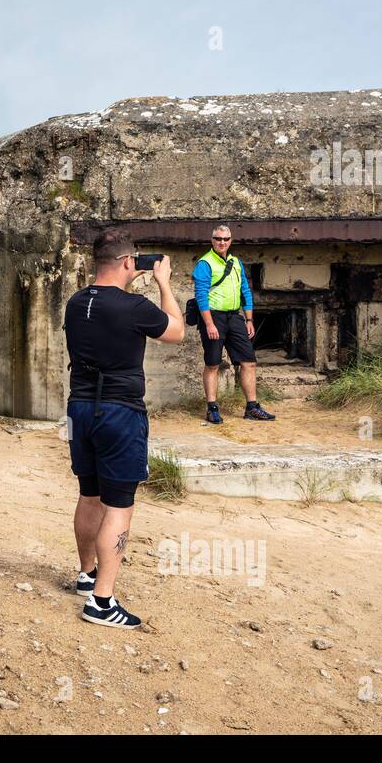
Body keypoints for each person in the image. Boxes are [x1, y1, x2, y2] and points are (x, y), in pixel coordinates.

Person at [64, 231, 184, 629]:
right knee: (119, 504)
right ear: (130, 263)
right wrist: (164, 282)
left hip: (79, 409)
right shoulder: (134, 306)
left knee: (89, 494)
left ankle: (86, 575)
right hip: (119, 413)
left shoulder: (76, 303)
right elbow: (176, 332)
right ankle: (101, 602)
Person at [192, 224, 275, 423]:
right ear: (212, 240)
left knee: (249, 362)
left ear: (231, 241)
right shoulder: (205, 263)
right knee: (213, 364)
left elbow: (245, 291)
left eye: (226, 239)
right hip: (213, 317)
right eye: (218, 238)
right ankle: (212, 408)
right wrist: (210, 324)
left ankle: (252, 408)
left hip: (234, 317)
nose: (222, 242)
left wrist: (249, 319)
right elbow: (201, 295)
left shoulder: (236, 262)